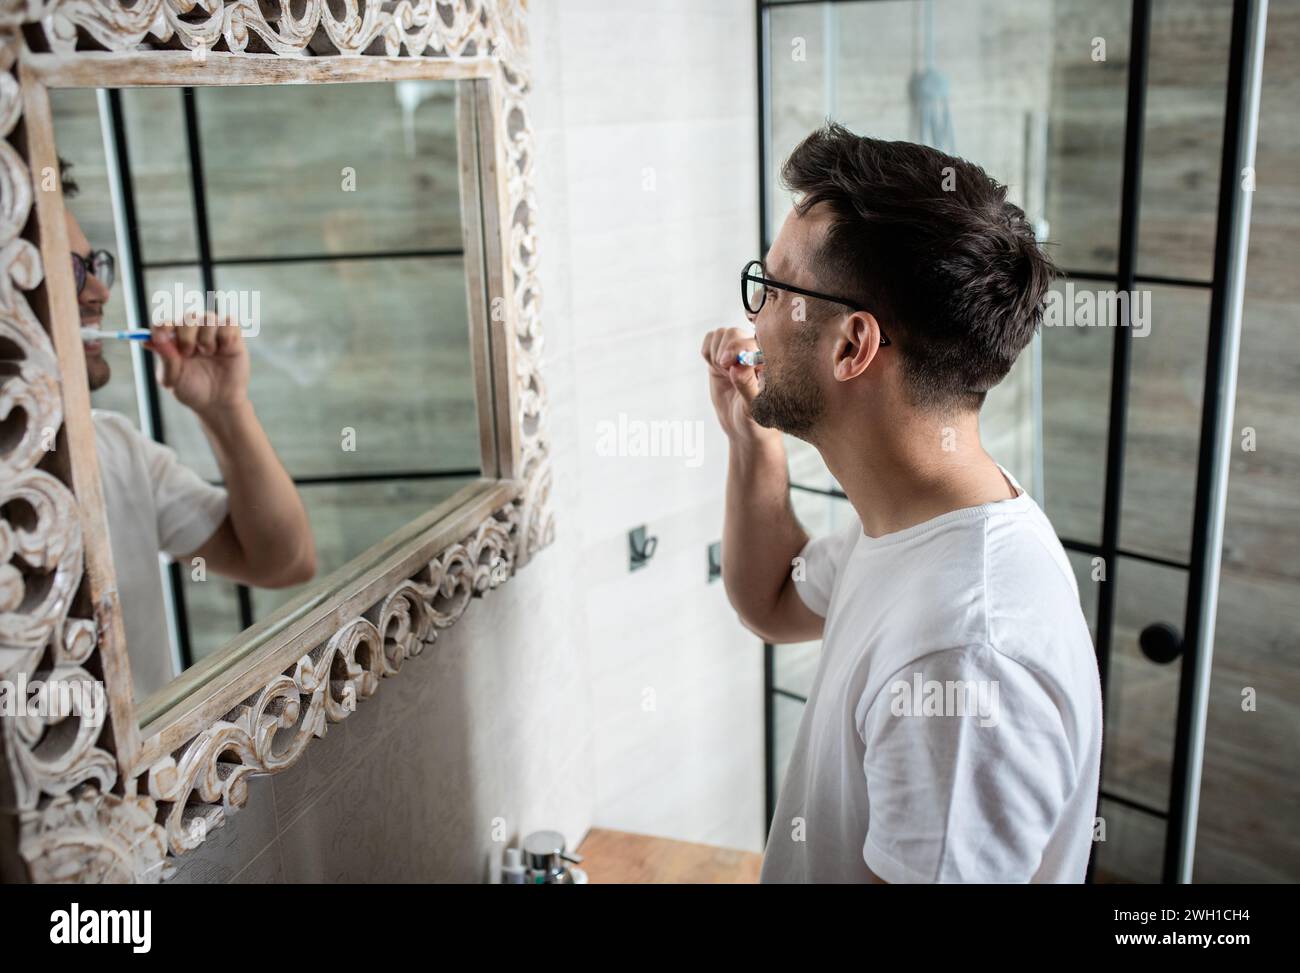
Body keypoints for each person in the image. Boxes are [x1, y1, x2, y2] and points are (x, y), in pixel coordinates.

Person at [703, 124, 1102, 883]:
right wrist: (751, 435)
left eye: (777, 287)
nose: (753, 313)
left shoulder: (964, 658)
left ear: (853, 345)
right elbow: (773, 597)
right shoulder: (915, 518)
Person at [62, 161, 315, 699]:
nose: (101, 294)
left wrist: (226, 407)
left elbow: (284, 561)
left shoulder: (115, 448)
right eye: (70, 271)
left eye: (94, 267)